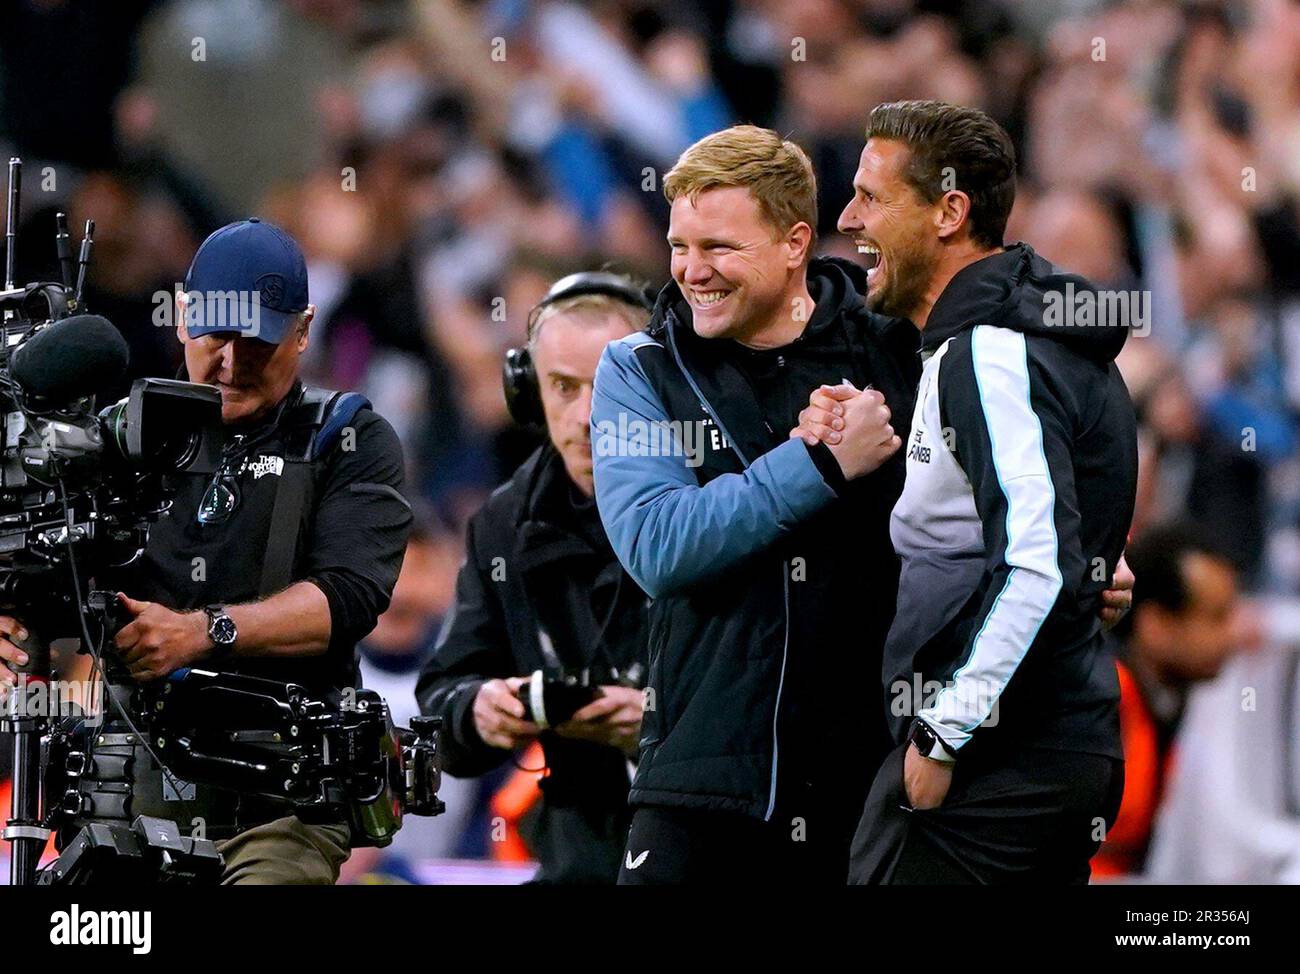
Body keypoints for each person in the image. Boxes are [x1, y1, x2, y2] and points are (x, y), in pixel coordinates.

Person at [1, 218, 413, 885]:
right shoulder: (115, 440)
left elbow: (349, 596)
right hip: (125, 789)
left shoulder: (347, 439)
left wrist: (201, 634)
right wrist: (14, 619)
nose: (228, 363)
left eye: (256, 344)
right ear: (185, 317)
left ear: (303, 331)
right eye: (214, 334)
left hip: (278, 804)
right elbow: (49, 561)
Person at [805, 100, 1138, 884]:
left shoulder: (990, 354)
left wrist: (943, 734)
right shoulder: (1006, 336)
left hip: (1002, 755)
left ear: (950, 211)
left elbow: (1035, 565)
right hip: (1044, 743)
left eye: (872, 197)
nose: (849, 218)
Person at [591, 126, 920, 884]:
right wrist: (816, 464)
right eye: (679, 245)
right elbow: (658, 546)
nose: (690, 273)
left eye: (719, 248)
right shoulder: (640, 369)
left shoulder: (897, 346)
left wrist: (1082, 555)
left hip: (865, 777)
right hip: (699, 781)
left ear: (795, 241)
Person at [417, 272, 653, 883]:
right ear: (528, 392)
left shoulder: (720, 499)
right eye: (563, 387)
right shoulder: (502, 524)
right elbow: (441, 706)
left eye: (610, 385)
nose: (587, 416)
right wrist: (481, 712)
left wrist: (661, 725)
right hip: (577, 853)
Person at [1092, 523, 1242, 877]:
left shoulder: (1168, 700)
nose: (1232, 637)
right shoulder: (1102, 703)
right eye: (1216, 617)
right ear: (1156, 624)